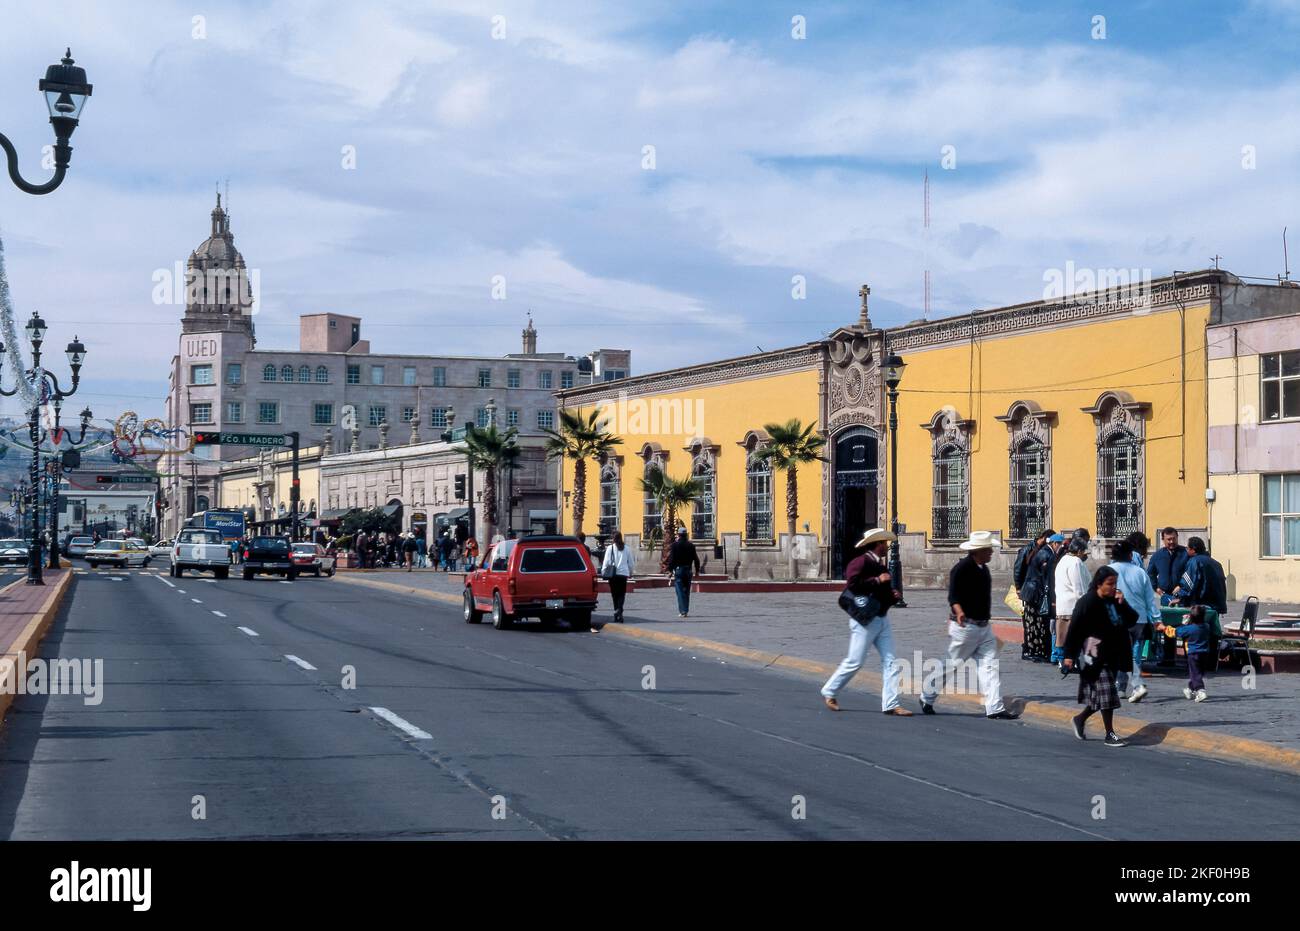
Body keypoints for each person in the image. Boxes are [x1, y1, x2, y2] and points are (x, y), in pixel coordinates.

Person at [919, 531, 1019, 719]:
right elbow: (953, 596)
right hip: (966, 627)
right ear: (978, 551)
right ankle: (927, 696)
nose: (991, 552)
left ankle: (994, 707)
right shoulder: (962, 569)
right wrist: (959, 611)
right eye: (988, 549)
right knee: (951, 664)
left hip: (984, 627)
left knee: (989, 666)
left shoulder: (984, 569)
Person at [821, 529, 911, 715]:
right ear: (877, 544)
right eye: (884, 543)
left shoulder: (880, 564)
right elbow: (852, 585)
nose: (886, 546)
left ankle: (891, 704)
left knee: (891, 662)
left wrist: (893, 596)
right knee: (855, 661)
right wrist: (877, 580)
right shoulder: (860, 562)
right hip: (865, 621)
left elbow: (881, 592)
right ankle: (830, 691)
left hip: (882, 618)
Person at [1062, 566, 1138, 747]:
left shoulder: (1113, 602)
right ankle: (1109, 733)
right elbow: (1074, 630)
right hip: (1093, 653)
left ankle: (1080, 719)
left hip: (1113, 652)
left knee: (1100, 696)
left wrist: (1123, 604)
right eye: (1110, 584)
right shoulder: (1087, 602)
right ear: (1099, 584)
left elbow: (1132, 619)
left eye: (1115, 584)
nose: (1113, 588)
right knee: (1108, 692)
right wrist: (1069, 656)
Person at [1108, 540, 1161, 702]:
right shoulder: (1140, 572)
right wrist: (1157, 619)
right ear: (1131, 555)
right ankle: (1122, 687)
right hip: (1139, 618)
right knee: (1134, 653)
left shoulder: (1108, 570)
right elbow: (1150, 598)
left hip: (1117, 618)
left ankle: (1131, 685)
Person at [1021, 533, 1064, 661]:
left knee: (1035, 623)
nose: (1060, 548)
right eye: (1060, 545)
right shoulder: (1046, 554)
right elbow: (1046, 576)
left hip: (1033, 591)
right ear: (1054, 544)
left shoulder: (1045, 552)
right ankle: (1034, 651)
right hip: (1034, 593)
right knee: (1035, 623)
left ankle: (1035, 650)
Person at [1156, 605, 1213, 702]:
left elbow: (1175, 632)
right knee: (1199, 673)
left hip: (1193, 653)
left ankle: (1200, 690)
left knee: (1194, 673)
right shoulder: (1207, 626)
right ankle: (1190, 689)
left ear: (1192, 617)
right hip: (1205, 653)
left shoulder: (1189, 629)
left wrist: (1164, 627)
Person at [1053, 537, 1090, 667]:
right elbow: (1079, 587)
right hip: (1073, 606)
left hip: (1063, 605)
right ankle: (1074, 661)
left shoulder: (1063, 560)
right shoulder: (1075, 562)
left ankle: (1061, 660)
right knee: (1074, 636)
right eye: (1084, 551)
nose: (1086, 554)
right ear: (1079, 551)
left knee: (1062, 636)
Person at [1172, 537, 1227, 614]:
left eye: (1187, 548)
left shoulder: (1194, 562)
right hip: (1216, 607)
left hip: (1200, 607)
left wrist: (1178, 597)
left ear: (1193, 550)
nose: (1186, 550)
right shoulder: (1216, 563)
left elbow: (1188, 585)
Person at [1147, 527, 1189, 606]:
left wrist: (1181, 586)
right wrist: (1156, 588)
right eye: (1169, 539)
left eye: (1174, 539)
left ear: (1177, 537)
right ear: (1163, 539)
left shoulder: (1186, 554)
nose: (1172, 541)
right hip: (1165, 596)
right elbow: (1150, 573)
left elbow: (1191, 573)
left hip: (1183, 596)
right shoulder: (1157, 555)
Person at [667, 526, 701, 617]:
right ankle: (685, 609)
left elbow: (671, 559)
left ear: (678, 534)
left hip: (678, 570)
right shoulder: (691, 545)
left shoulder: (674, 545)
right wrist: (697, 571)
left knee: (680, 591)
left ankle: (683, 611)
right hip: (688, 570)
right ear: (686, 535)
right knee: (686, 591)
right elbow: (696, 559)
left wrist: (670, 570)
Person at [600, 531, 634, 622]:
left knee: (614, 594)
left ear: (613, 539)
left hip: (613, 575)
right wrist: (630, 572)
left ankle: (616, 611)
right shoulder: (627, 548)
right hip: (623, 574)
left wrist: (603, 572)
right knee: (622, 594)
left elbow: (606, 562)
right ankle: (620, 611)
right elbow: (631, 563)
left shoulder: (610, 548)